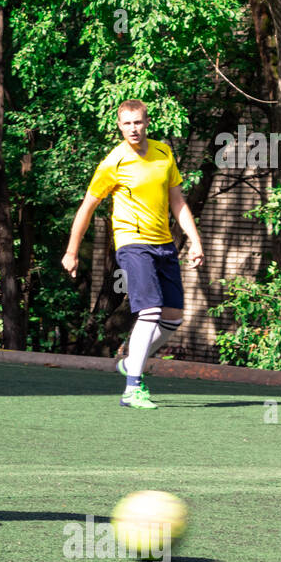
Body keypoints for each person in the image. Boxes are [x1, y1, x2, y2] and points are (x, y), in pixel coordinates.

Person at [62, 99, 204, 409]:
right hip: (132, 243)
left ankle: (130, 362)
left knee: (173, 318)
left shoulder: (164, 153)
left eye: (137, 122)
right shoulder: (114, 162)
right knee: (150, 311)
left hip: (164, 244)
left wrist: (194, 239)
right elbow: (87, 207)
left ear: (146, 122)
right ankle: (132, 388)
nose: (133, 129)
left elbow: (177, 201)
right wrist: (72, 251)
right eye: (126, 124)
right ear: (119, 126)